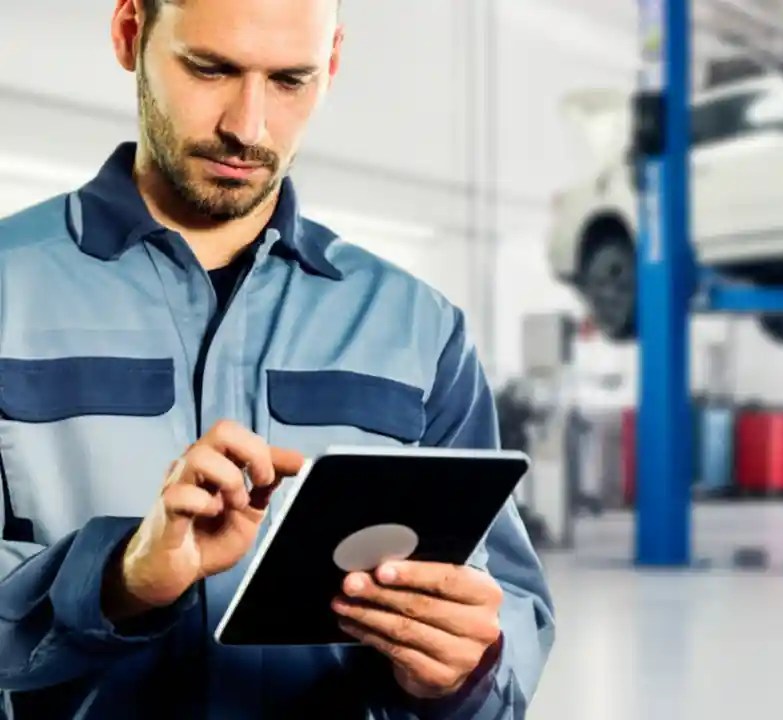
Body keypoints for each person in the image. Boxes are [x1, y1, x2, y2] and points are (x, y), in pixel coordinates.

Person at [0, 0, 555, 717]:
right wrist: (121, 581)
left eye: (290, 80)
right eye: (210, 68)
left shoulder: (418, 327)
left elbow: (504, 598)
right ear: (130, 33)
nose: (247, 126)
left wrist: (464, 673)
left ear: (332, 63)